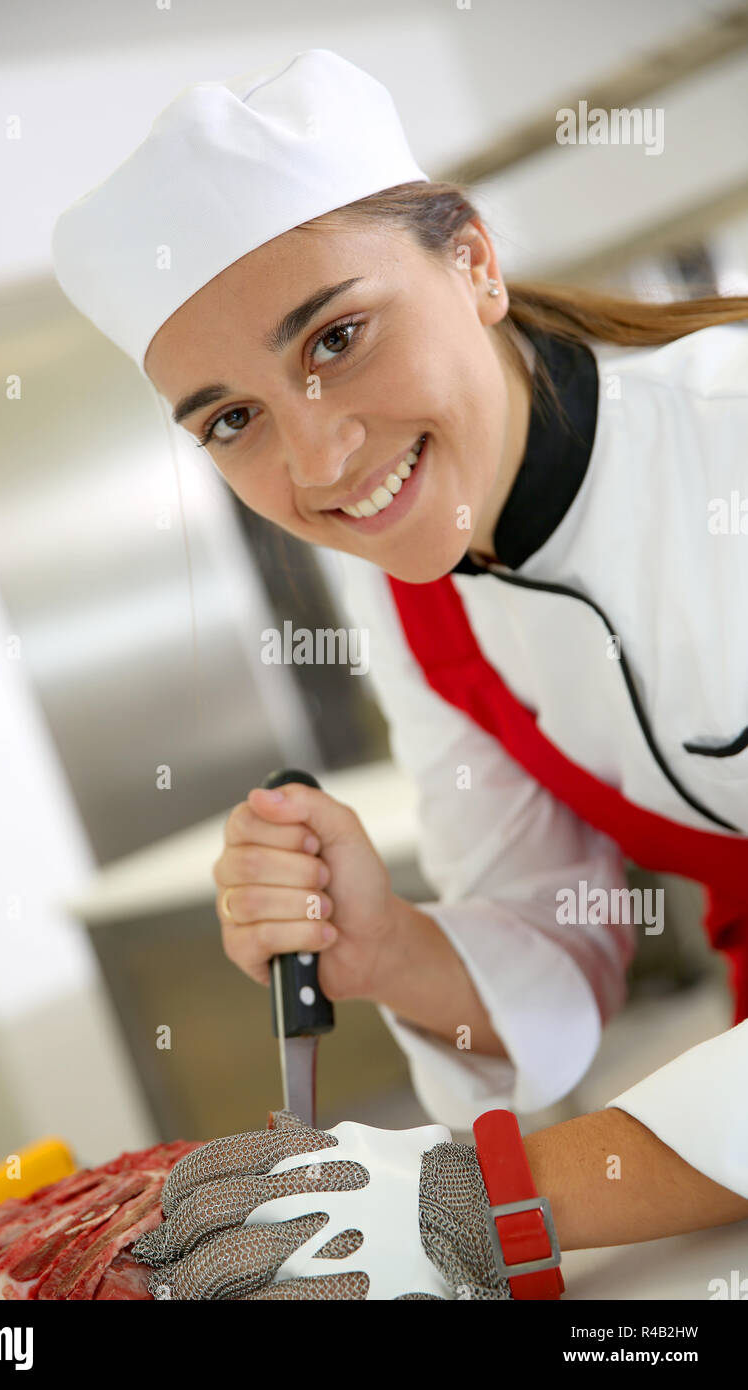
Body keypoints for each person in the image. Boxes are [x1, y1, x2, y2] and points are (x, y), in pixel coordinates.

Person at [51, 49, 748, 1298]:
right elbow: (554, 956)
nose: (317, 460)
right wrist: (383, 946)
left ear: (472, 262)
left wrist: (481, 1199)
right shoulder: (417, 595)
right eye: (230, 419)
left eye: (337, 337)